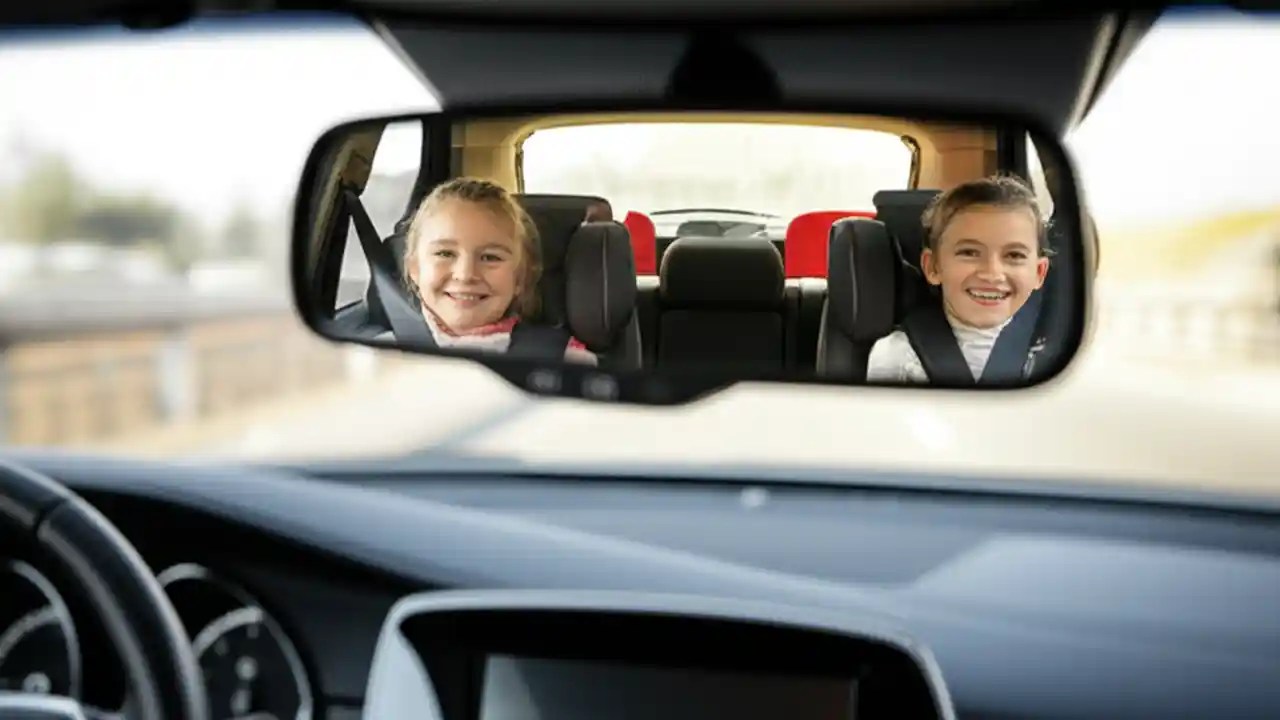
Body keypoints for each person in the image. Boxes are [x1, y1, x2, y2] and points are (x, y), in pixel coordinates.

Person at [865, 174, 1050, 384]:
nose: (992, 274)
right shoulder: (897, 357)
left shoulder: (1060, 353)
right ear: (933, 266)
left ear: (1039, 273)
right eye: (969, 253)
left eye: (1014, 255)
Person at [397, 177, 597, 365]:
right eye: (445, 253)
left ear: (519, 278)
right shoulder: (379, 351)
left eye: (490, 257)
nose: (466, 274)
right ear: (414, 268)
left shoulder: (564, 360)